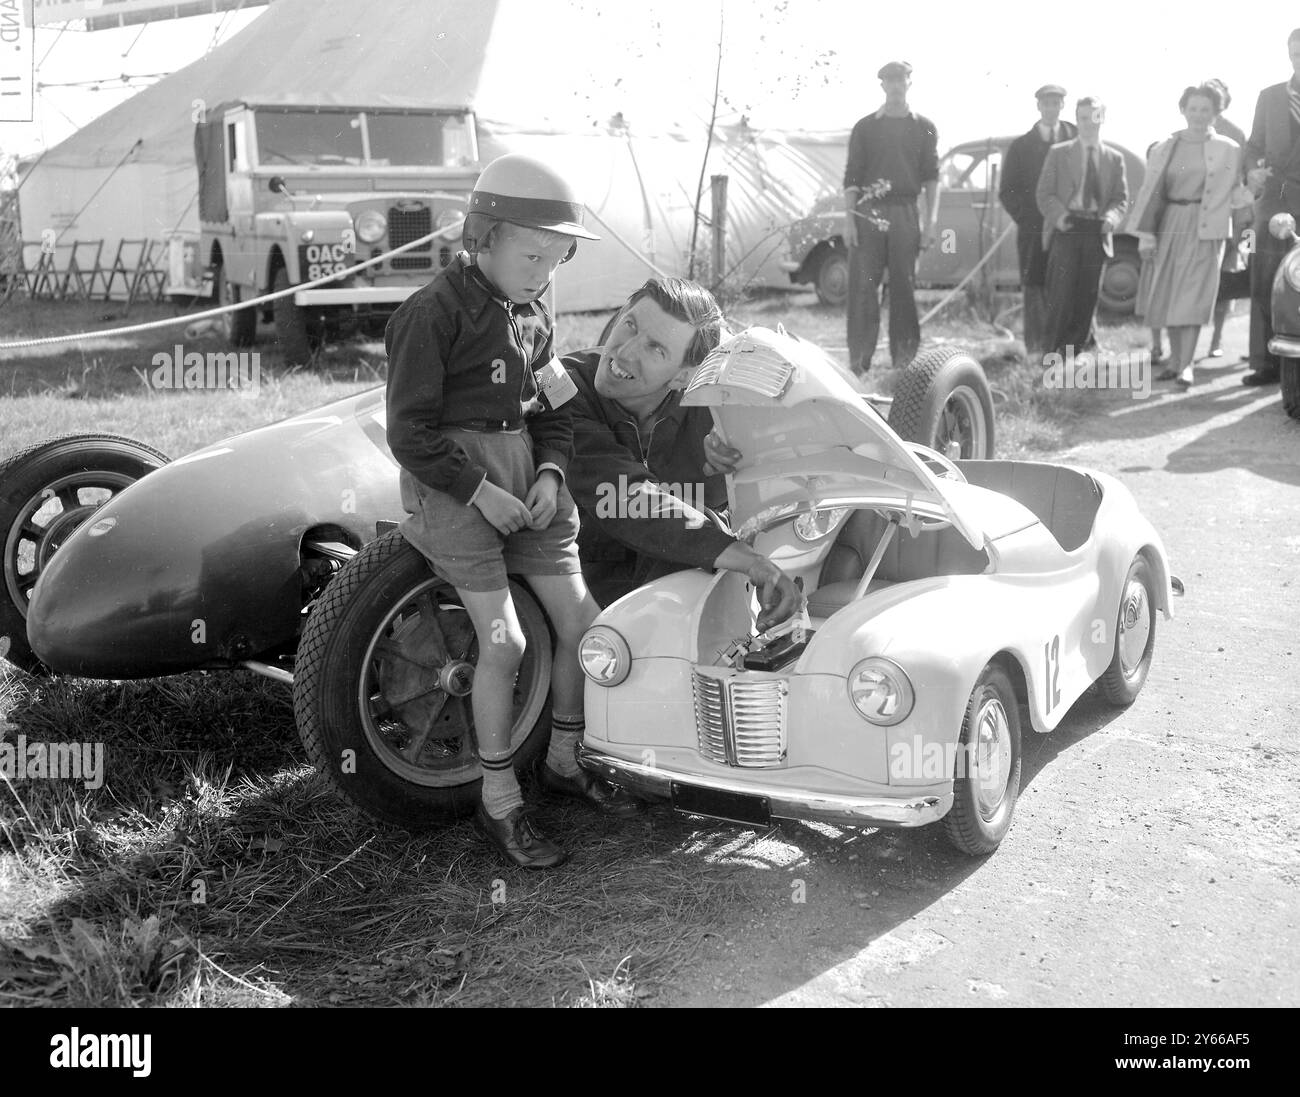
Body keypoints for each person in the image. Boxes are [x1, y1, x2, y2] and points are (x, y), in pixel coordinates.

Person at [385, 153, 636, 872]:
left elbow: (556, 409)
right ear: (482, 236)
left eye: (556, 260)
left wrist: (552, 472)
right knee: (506, 644)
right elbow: (410, 432)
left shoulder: (534, 314)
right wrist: (478, 491)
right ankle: (500, 798)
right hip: (457, 493)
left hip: (528, 482)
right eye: (531, 255)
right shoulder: (430, 315)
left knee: (584, 625)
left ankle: (563, 756)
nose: (542, 273)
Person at [564, 277, 803, 625]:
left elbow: (786, 480)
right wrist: (748, 560)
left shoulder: (715, 405)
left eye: (655, 348)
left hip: (684, 593)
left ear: (683, 378)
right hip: (584, 588)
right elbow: (622, 496)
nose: (625, 351)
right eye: (629, 325)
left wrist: (737, 463)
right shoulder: (566, 388)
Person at [1124, 84, 1251, 388]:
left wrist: (1252, 189)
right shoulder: (1165, 146)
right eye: (1192, 108)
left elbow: (1234, 193)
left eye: (1205, 109)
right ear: (1182, 109)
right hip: (1170, 222)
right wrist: (1146, 236)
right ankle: (1175, 360)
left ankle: (1186, 366)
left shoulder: (1228, 149)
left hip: (1207, 227)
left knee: (1195, 295)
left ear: (1216, 113)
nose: (1198, 115)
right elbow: (1150, 192)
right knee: (1169, 291)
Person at [842, 60, 940, 375]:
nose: (896, 85)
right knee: (863, 287)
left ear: (910, 83)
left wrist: (930, 223)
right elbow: (852, 176)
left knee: (904, 288)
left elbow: (931, 179)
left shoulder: (923, 126)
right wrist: (849, 219)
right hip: (869, 212)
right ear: (882, 85)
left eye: (901, 79)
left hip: (906, 212)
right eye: (890, 80)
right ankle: (859, 361)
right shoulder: (865, 127)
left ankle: (904, 363)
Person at [1036, 96, 1129, 363]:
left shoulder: (1114, 158)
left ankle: (1076, 355)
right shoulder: (1059, 152)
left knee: (1087, 296)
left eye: (1095, 117)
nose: (1089, 124)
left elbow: (1120, 198)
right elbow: (1044, 193)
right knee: (1060, 295)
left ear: (1103, 118)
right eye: (1084, 118)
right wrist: (1061, 218)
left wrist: (1112, 217)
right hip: (1068, 227)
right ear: (1077, 120)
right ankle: (1051, 356)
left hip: (1097, 230)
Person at [999, 84, 1078, 359]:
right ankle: (1036, 348)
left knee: (1070, 283)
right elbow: (1007, 190)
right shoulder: (1022, 146)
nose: (1051, 108)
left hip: (1069, 227)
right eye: (1046, 103)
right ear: (1038, 107)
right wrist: (1028, 218)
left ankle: (1070, 347)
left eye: (1056, 103)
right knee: (1035, 283)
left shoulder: (1075, 137)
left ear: (1062, 106)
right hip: (1034, 229)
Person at [1241, 28, 1300, 387]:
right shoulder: (1271, 97)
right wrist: (1251, 171)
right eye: (1296, 53)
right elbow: (1252, 146)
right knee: (1266, 278)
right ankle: (1265, 363)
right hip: (1276, 197)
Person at [1204, 77, 1251, 359]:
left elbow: (1242, 180)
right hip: (1198, 217)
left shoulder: (1235, 133)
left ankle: (1217, 340)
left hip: (1233, 219)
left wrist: (1243, 226)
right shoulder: (1191, 131)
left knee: (1231, 280)